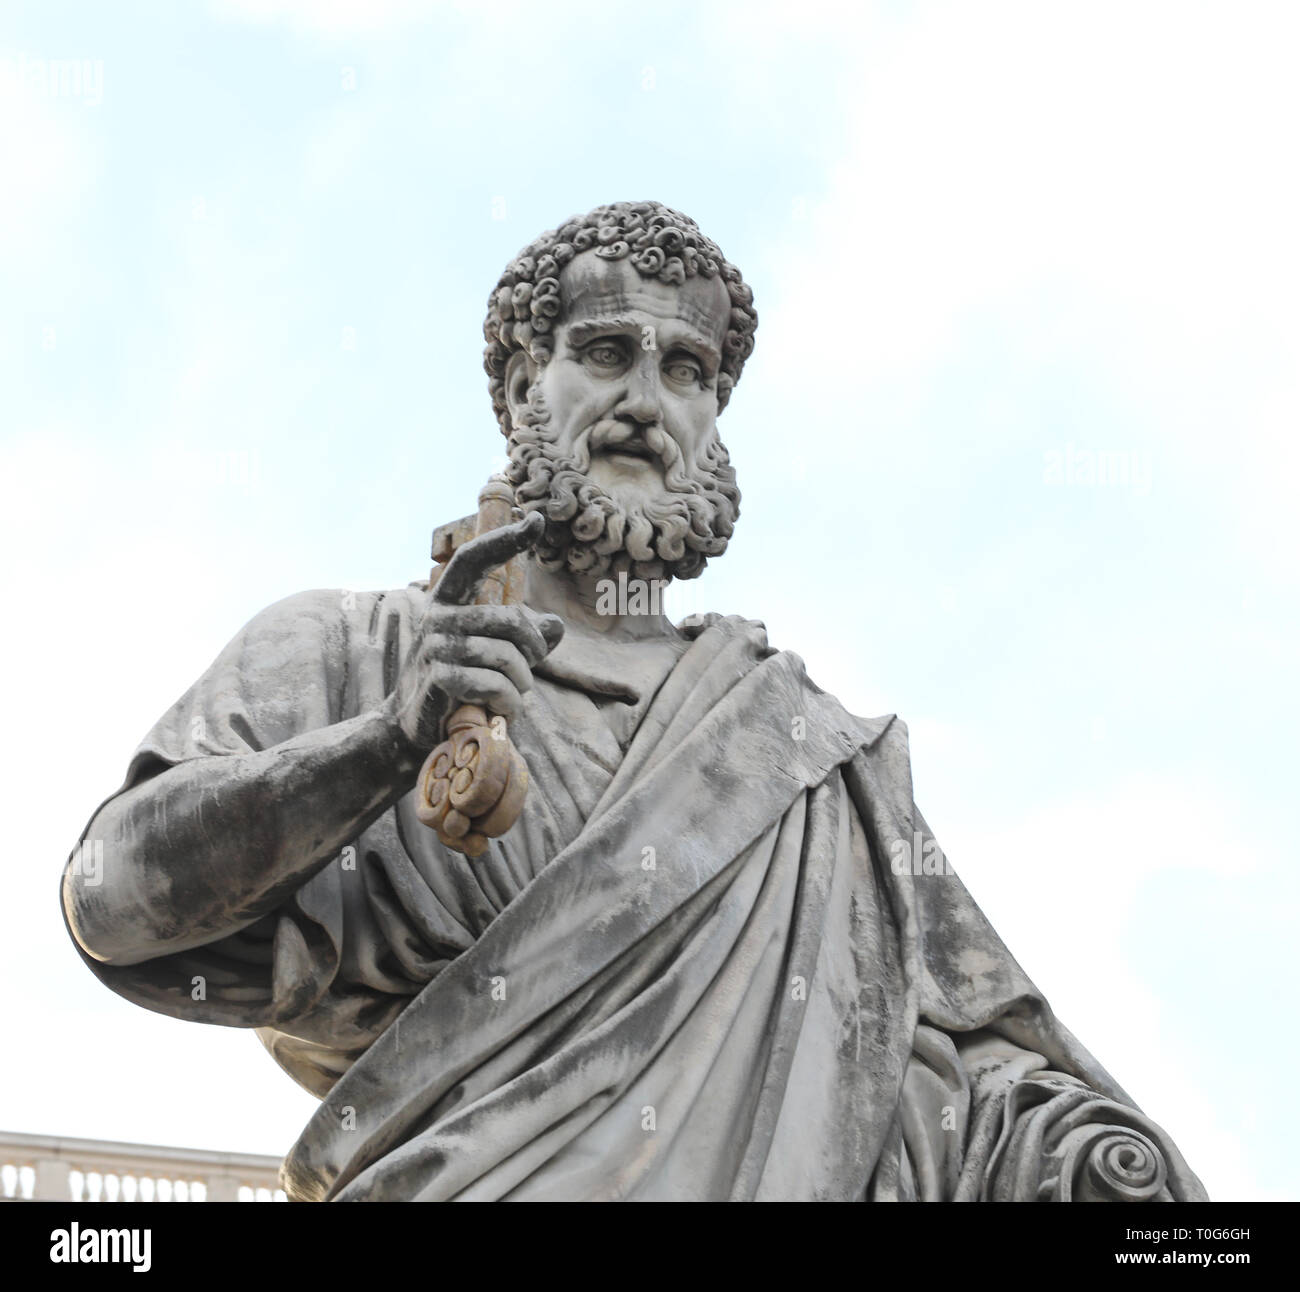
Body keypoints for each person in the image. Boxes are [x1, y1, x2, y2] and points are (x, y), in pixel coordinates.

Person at [62, 201, 1205, 1202]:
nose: (646, 404)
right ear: (522, 384)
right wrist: (381, 747)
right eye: (606, 352)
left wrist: (1076, 1155)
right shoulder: (355, 646)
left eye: (688, 370)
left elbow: (958, 1066)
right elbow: (115, 900)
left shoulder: (804, 750)